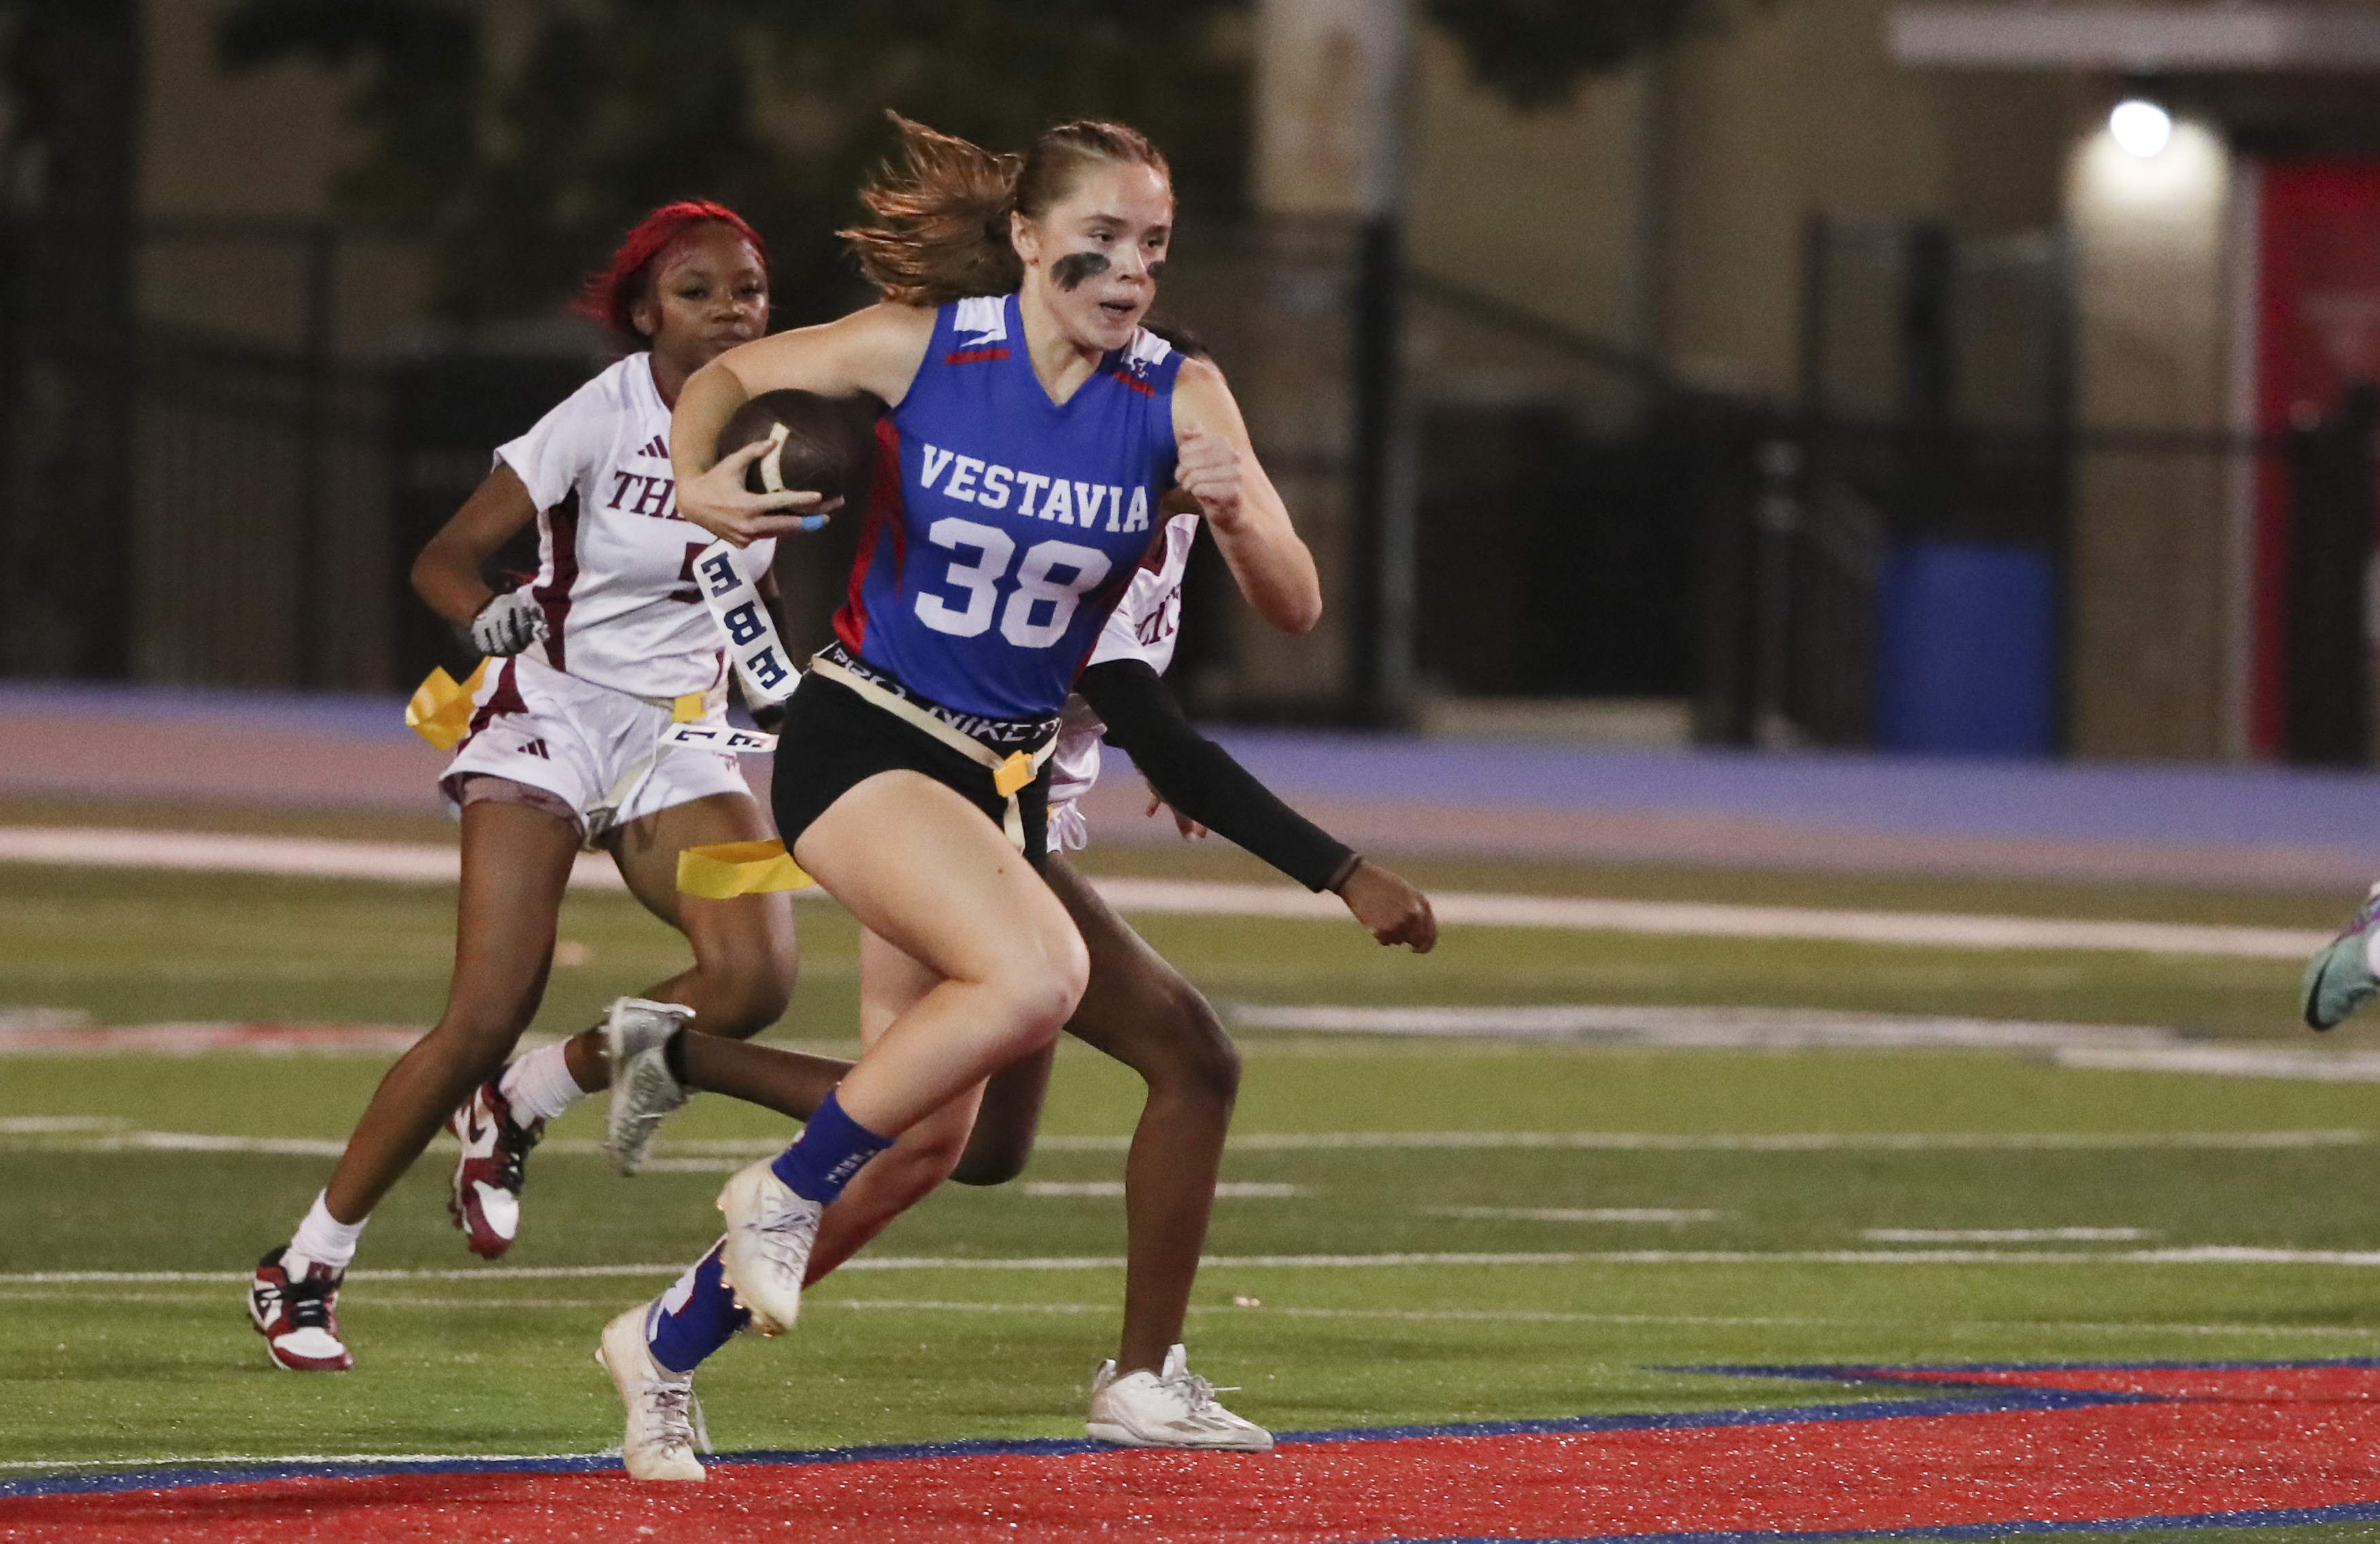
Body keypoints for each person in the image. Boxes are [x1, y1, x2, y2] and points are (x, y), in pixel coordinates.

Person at [588, 116, 1325, 1479]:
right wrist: (696, 481)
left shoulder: (1181, 391)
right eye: (1101, 240)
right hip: (867, 735)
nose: (1130, 270)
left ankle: (664, 1344)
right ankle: (783, 1190)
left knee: (930, 1139)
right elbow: (730, 373)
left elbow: (1295, 604)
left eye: (1153, 245)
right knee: (1038, 972)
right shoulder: (930, 345)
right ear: (1030, 239)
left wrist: (1240, 515)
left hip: (995, 784)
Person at [248, 201, 833, 1374]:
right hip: (550, 717)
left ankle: (528, 1097)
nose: (732, 310)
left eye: (750, 289)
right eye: (699, 291)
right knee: (484, 1008)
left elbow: (746, 589)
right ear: (645, 312)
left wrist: (781, 679)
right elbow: (443, 559)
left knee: (754, 975)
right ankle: (304, 1263)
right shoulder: (600, 413)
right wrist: (483, 612)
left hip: (679, 735)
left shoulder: (779, 422)